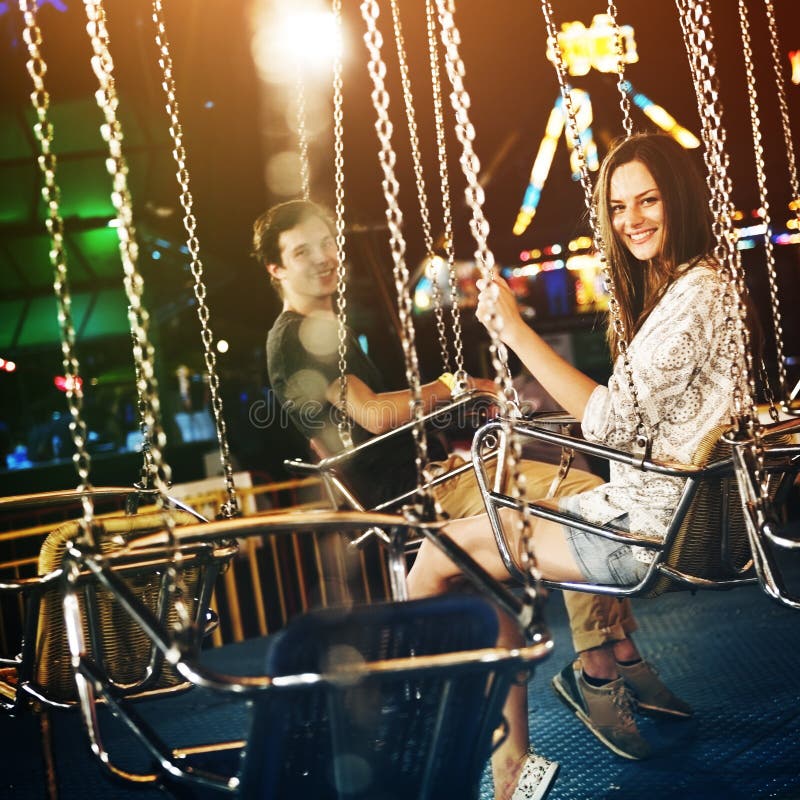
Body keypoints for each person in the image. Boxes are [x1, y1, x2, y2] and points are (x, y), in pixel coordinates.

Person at [254, 188, 688, 800]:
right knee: (583, 496)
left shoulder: (321, 330)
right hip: (421, 495)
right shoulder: (297, 336)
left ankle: (541, 736)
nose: (323, 258)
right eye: (302, 252)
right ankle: (599, 667)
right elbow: (374, 415)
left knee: (500, 614)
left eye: (327, 243)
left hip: (431, 477)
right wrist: (463, 384)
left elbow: (356, 430)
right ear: (277, 269)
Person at [407, 130, 742, 795]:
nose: (632, 221)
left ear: (676, 198)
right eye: (619, 209)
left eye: (647, 201)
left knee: (435, 561)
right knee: (476, 568)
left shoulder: (698, 293)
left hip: (637, 533)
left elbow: (614, 422)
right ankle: (514, 762)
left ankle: (426, 743)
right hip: (638, 512)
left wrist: (515, 332)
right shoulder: (686, 289)